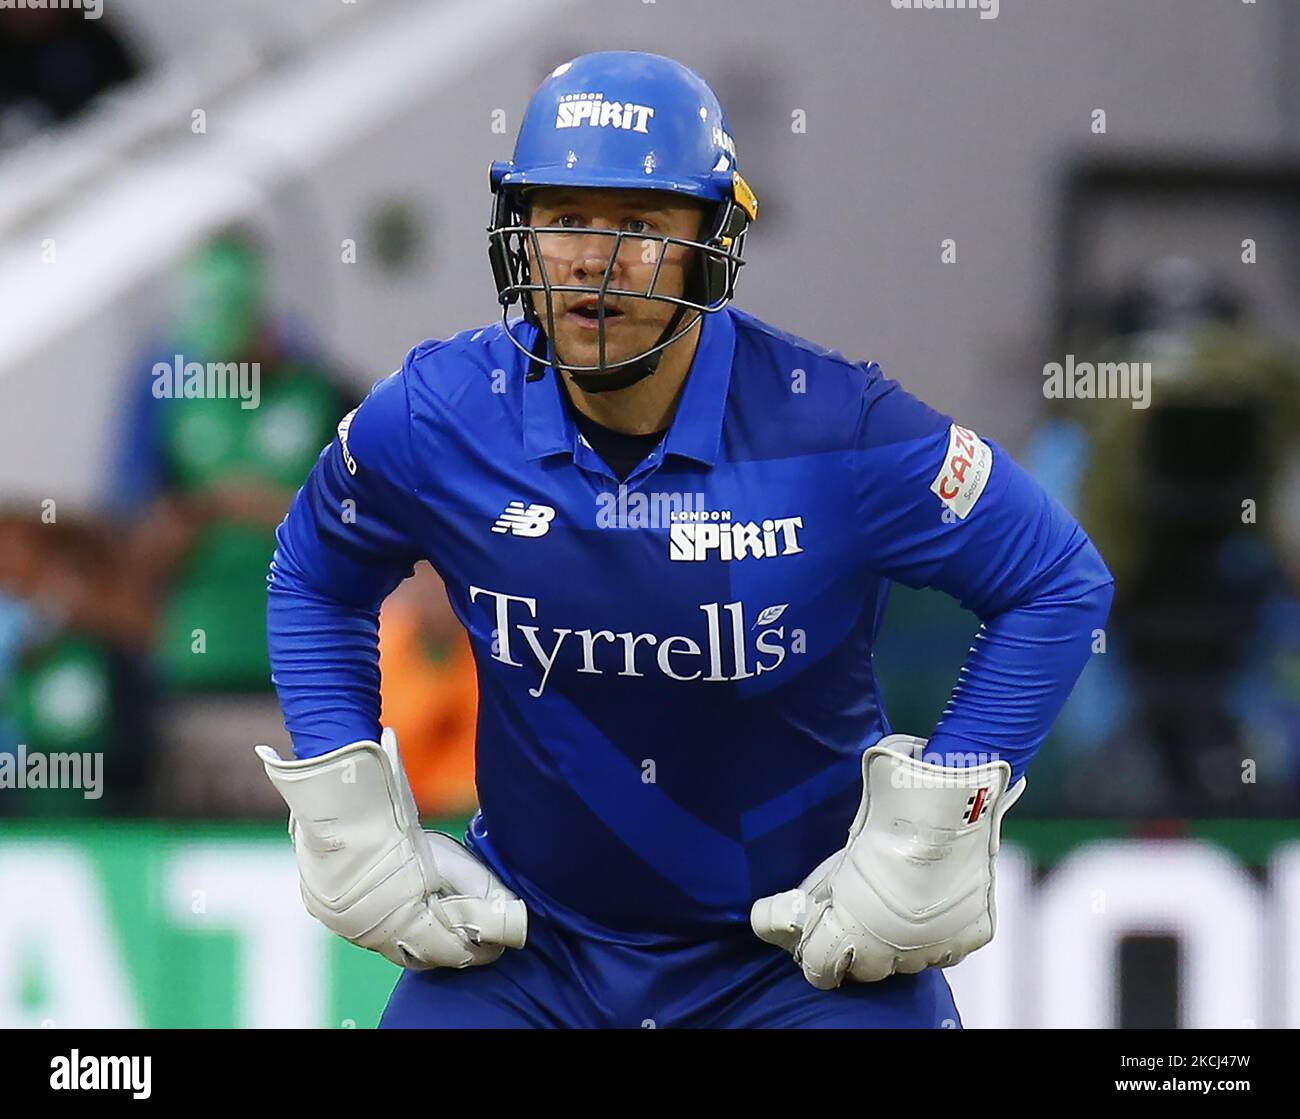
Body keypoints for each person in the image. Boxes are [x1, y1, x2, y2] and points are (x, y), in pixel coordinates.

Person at [257, 51, 1114, 1028]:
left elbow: (1055, 580)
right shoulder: (435, 417)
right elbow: (314, 575)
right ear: (518, 230)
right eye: (566, 218)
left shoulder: (843, 428)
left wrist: (942, 817)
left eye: (639, 226)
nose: (593, 259)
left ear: (712, 245)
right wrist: (343, 797)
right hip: (531, 948)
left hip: (801, 957)